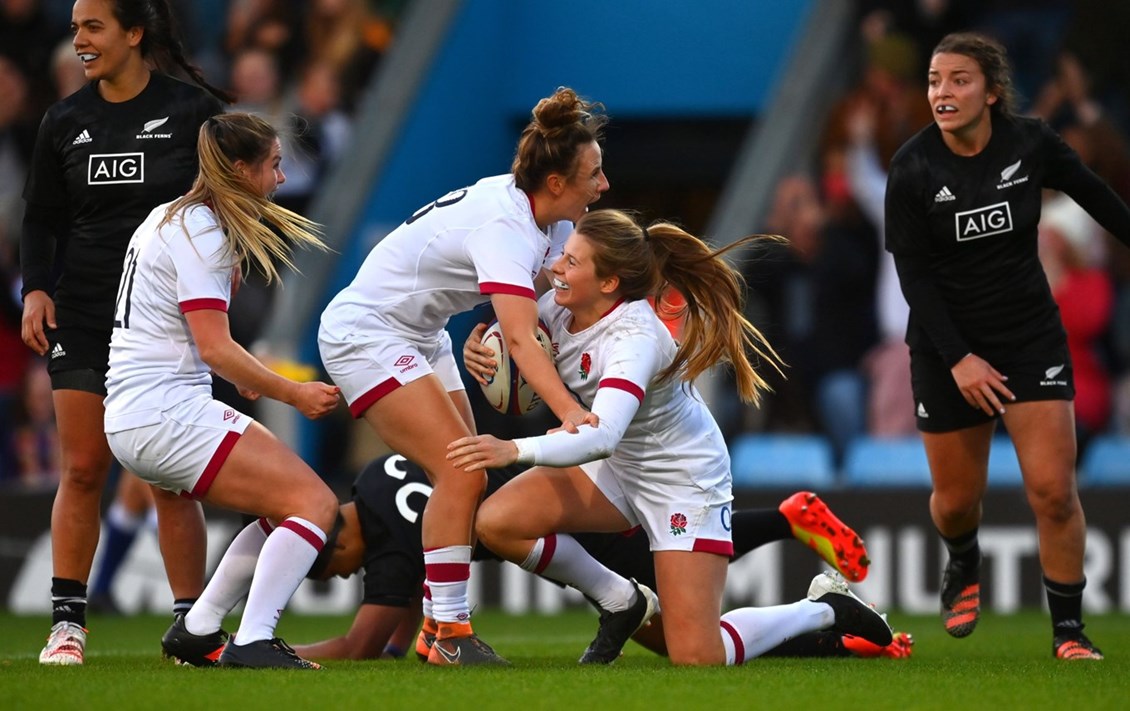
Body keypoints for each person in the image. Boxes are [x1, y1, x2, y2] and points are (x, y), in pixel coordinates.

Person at [448, 209, 894, 666]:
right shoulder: (560, 309)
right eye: (563, 254)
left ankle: (821, 609)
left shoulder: (635, 339)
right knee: (498, 521)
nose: (556, 267)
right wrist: (481, 354)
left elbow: (599, 437)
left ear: (608, 283)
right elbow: (518, 347)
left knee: (698, 656)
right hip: (620, 464)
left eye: (572, 262)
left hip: (681, 476)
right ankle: (620, 599)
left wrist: (514, 450)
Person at [317, 86, 608, 665]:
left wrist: (483, 338)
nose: (604, 185)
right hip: (367, 331)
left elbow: (527, 319)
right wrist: (572, 412)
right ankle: (445, 632)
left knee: (466, 473)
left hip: (422, 333)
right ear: (556, 183)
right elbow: (523, 336)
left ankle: (435, 625)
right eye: (594, 174)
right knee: (460, 468)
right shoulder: (507, 225)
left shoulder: (543, 223)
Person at [883, 32, 1130, 660]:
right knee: (959, 502)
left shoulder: (1031, 141)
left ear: (991, 91)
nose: (942, 91)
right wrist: (959, 358)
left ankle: (1069, 633)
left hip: (1027, 336)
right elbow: (915, 279)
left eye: (958, 79)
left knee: (1053, 490)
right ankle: (964, 559)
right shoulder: (912, 168)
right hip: (947, 346)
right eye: (936, 80)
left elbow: (1095, 194)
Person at [20, 0, 231, 666]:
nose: (78, 39)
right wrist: (36, 289)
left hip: (162, 322)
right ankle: (67, 625)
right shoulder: (64, 121)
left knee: (170, 477)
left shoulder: (193, 112)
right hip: (81, 312)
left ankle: (189, 627)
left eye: (92, 27)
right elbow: (39, 220)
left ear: (134, 34)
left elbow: (229, 207)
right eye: (76, 28)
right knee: (82, 469)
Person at [105, 112, 341, 669]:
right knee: (315, 503)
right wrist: (294, 393)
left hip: (138, 412)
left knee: (283, 505)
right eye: (275, 165)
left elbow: (189, 336)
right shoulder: (204, 231)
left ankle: (199, 627)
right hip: (167, 412)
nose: (281, 179)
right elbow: (214, 347)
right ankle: (255, 640)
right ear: (241, 169)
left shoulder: (167, 218)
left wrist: (240, 374)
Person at [293, 453, 911, 663]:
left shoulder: (391, 549)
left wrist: (268, 648)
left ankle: (822, 609)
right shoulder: (378, 476)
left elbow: (361, 646)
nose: (349, 573)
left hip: (566, 529)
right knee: (682, 607)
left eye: (337, 567)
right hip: (549, 495)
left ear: (341, 544)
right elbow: (403, 613)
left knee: (684, 640)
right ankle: (832, 626)